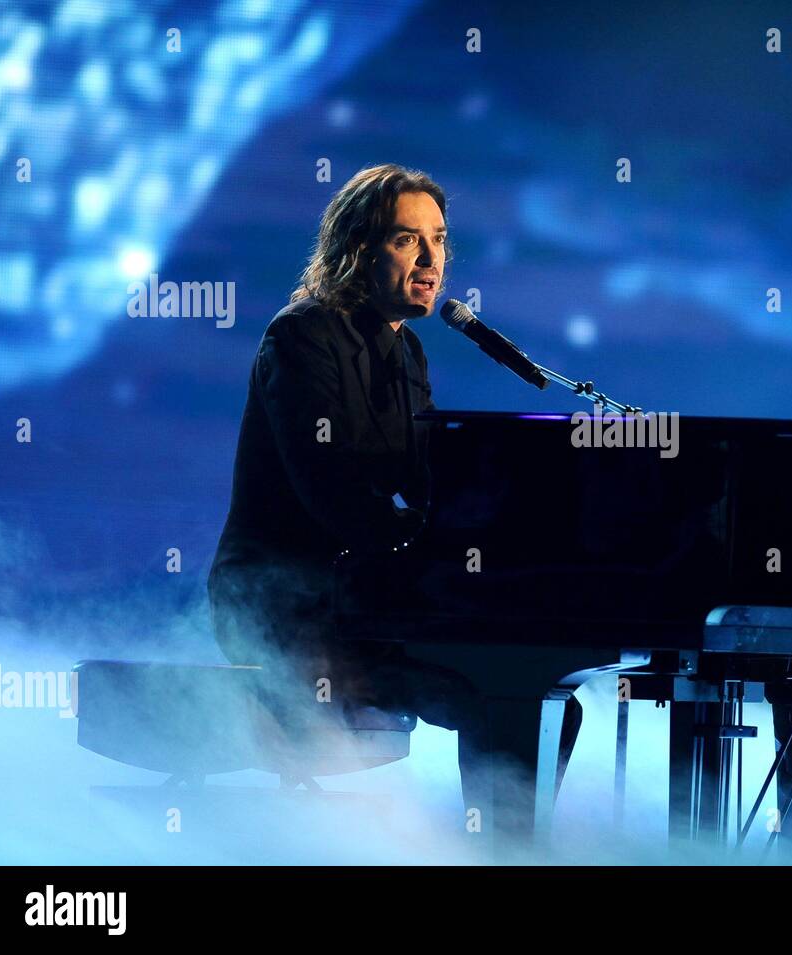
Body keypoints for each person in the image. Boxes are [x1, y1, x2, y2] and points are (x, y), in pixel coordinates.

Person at [208, 163, 580, 822]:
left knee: (544, 691)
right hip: (288, 601)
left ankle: (506, 848)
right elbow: (333, 490)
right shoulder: (300, 336)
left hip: (366, 593)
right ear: (357, 249)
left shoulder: (407, 355)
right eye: (409, 239)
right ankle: (501, 851)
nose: (434, 258)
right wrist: (429, 565)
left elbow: (425, 479)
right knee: (502, 688)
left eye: (439, 239)